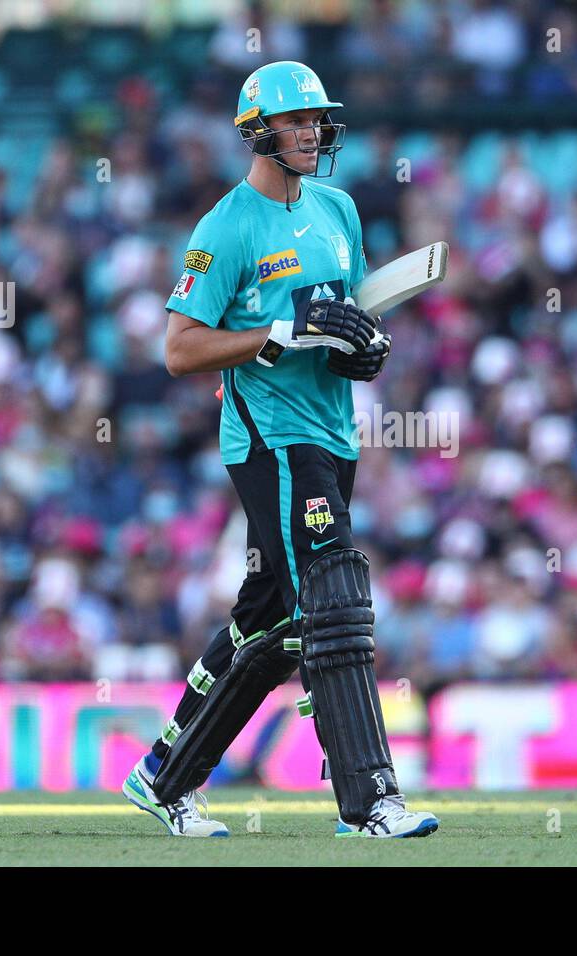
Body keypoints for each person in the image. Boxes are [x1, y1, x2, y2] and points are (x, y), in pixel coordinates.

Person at [121, 61, 437, 839]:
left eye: (317, 121)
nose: (312, 133)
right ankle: (369, 803)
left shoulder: (336, 208)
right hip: (271, 438)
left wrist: (360, 350)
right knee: (333, 598)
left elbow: (345, 319)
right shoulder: (225, 227)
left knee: (271, 616)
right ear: (258, 131)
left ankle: (166, 773)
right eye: (297, 122)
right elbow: (180, 350)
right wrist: (272, 338)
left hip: (334, 429)